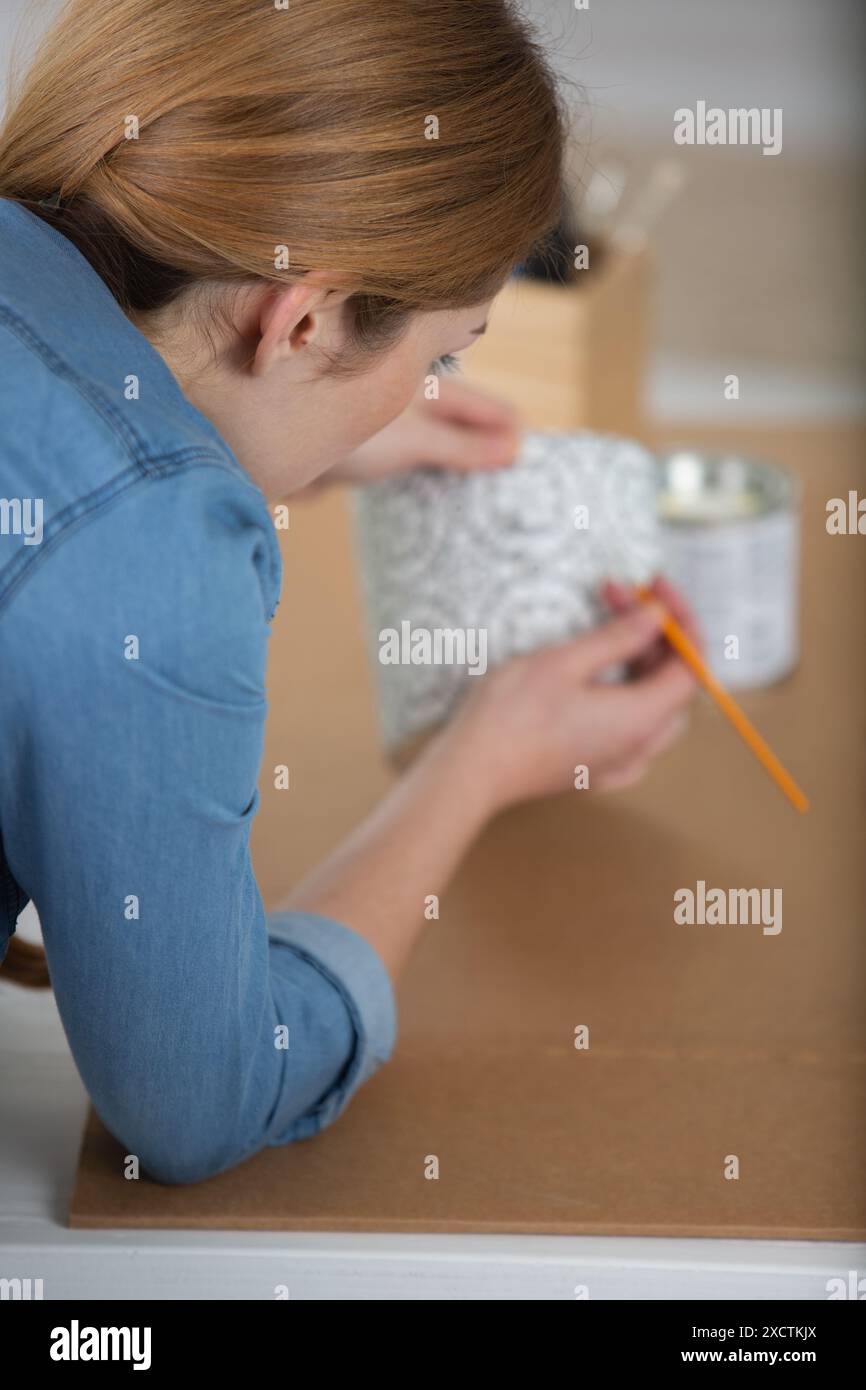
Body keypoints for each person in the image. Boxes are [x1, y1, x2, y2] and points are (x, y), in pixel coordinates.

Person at [0, 0, 698, 1183]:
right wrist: (477, 760)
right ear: (306, 317)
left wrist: (274, 418)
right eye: (436, 354)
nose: (427, 386)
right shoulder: (154, 546)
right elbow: (202, 1099)